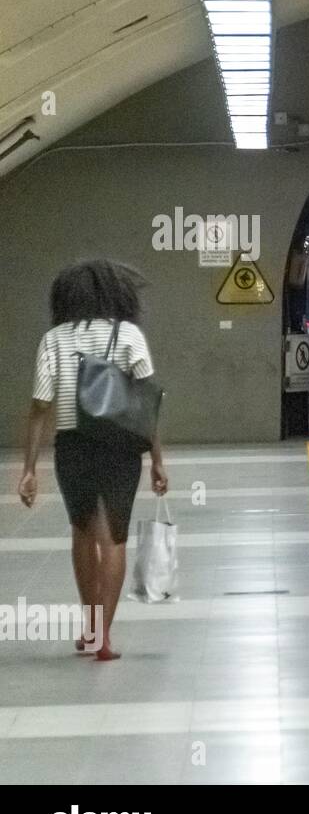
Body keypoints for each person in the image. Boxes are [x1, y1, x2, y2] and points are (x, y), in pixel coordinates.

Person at [16, 260, 168, 661]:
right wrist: (157, 461)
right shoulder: (129, 334)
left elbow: (39, 405)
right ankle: (103, 636)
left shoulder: (53, 340)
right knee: (113, 537)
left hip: (73, 447)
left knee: (83, 532)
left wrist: (29, 468)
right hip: (119, 447)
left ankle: (90, 625)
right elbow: (148, 401)